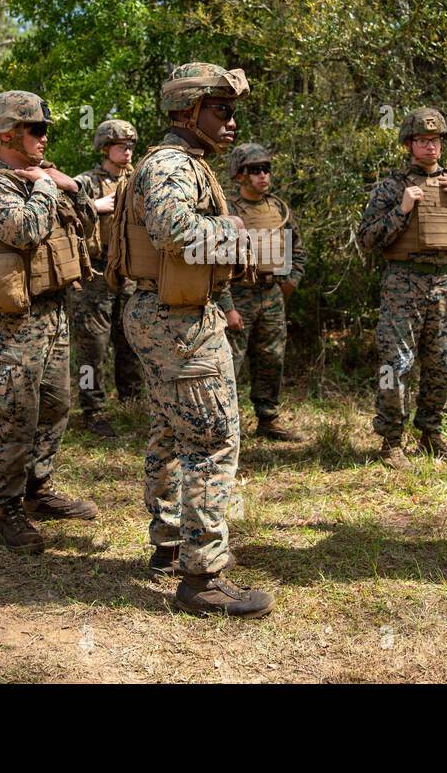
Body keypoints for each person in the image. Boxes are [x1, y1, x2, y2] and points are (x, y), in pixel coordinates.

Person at [106, 62, 273, 618]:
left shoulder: (178, 162)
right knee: (212, 439)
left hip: (168, 313)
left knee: (171, 431)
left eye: (232, 111)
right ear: (187, 111)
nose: (230, 122)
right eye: (220, 110)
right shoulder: (175, 165)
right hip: (176, 321)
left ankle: (170, 542)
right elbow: (174, 231)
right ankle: (202, 578)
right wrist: (238, 232)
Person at [0, 92, 99, 553]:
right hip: (13, 323)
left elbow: (81, 224)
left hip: (53, 311)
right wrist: (45, 185)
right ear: (6, 134)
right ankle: (8, 506)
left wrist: (71, 187)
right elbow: (24, 230)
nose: (44, 137)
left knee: (57, 404)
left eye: (45, 129)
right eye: (35, 129)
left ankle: (38, 488)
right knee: (14, 413)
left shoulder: (44, 176)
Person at [356, 108, 447, 469]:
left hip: (444, 284)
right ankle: (391, 441)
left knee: (443, 365)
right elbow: (366, 238)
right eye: (423, 140)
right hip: (402, 285)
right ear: (409, 143)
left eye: (435, 140)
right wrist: (402, 209)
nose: (430, 146)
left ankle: (430, 434)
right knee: (396, 364)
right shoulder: (392, 187)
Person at [217, 142, 306, 441]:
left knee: (271, 359)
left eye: (266, 169)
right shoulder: (227, 211)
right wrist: (227, 304)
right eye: (255, 171)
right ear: (239, 175)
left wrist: (291, 280)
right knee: (229, 361)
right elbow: (216, 263)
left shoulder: (279, 209)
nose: (263, 176)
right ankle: (223, 425)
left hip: (271, 294)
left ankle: (268, 419)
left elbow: (297, 249)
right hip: (239, 294)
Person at [71, 119, 143, 437]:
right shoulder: (85, 183)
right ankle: (92, 408)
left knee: (130, 340)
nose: (127, 152)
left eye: (130, 146)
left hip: (129, 272)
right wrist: (93, 207)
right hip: (95, 273)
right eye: (120, 146)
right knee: (92, 347)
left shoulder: (139, 180)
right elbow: (64, 214)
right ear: (105, 148)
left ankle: (132, 402)